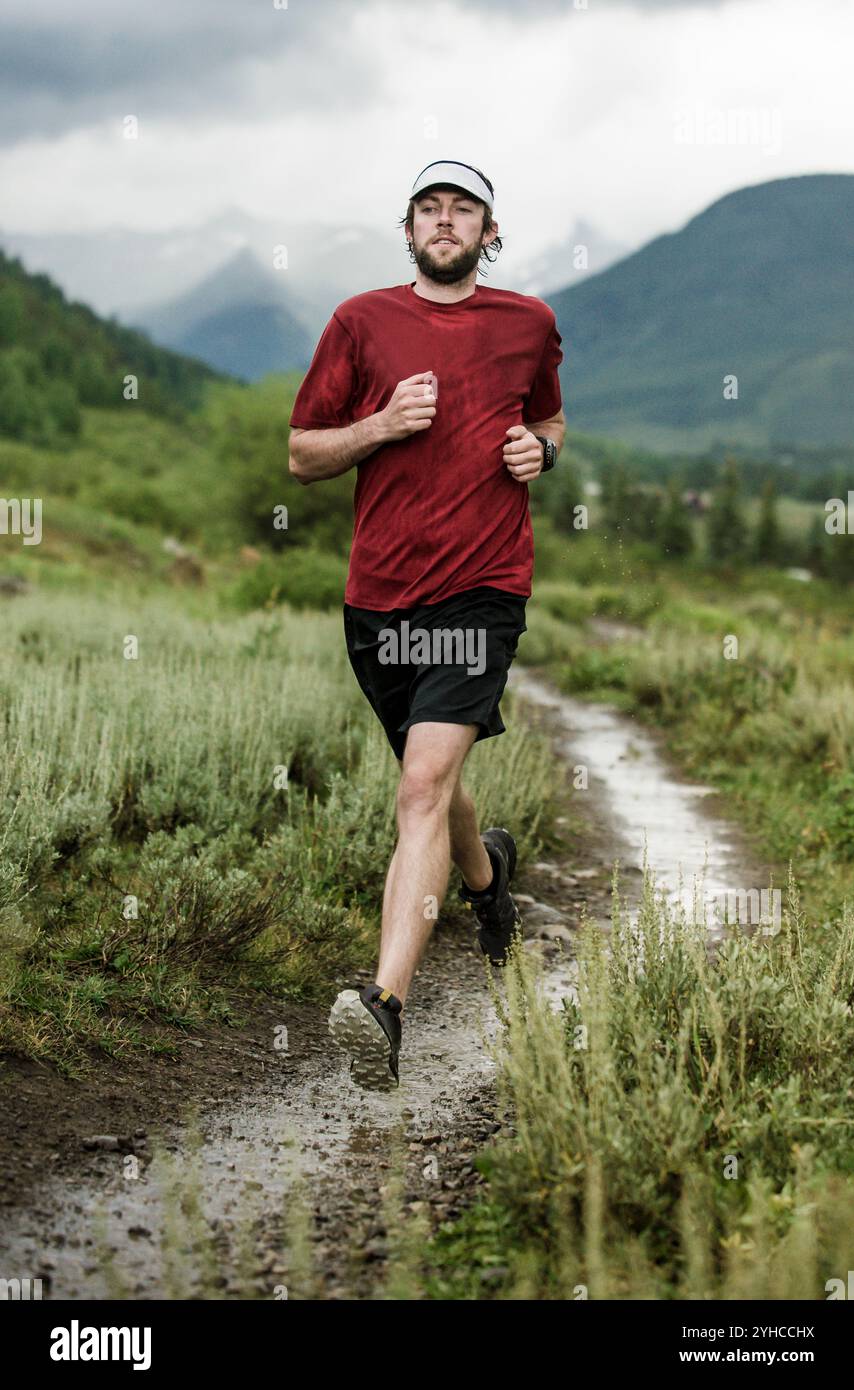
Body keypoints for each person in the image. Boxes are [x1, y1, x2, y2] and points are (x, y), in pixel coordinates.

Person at [288, 160, 566, 1090]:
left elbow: (552, 418)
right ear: (407, 230)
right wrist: (378, 426)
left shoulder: (528, 323)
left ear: (490, 231)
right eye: (429, 209)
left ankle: (384, 1005)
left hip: (481, 592)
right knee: (434, 784)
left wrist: (544, 452)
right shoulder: (359, 322)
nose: (446, 222)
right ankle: (488, 886)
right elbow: (301, 454)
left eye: (465, 210)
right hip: (378, 599)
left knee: (419, 786)